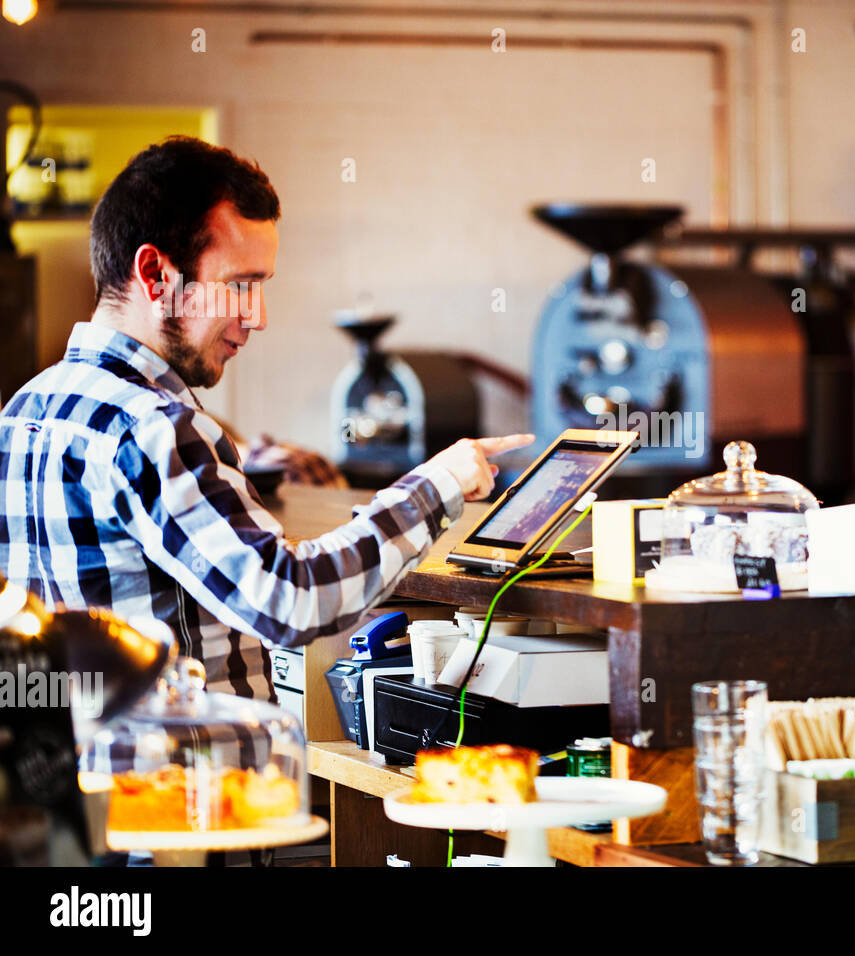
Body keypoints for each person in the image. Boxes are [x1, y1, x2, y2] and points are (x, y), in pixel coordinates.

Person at [0, 137, 532, 699]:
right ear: (156, 274)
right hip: (196, 782)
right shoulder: (152, 426)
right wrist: (438, 485)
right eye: (240, 286)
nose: (258, 318)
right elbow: (289, 599)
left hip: (89, 776)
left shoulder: (21, 413)